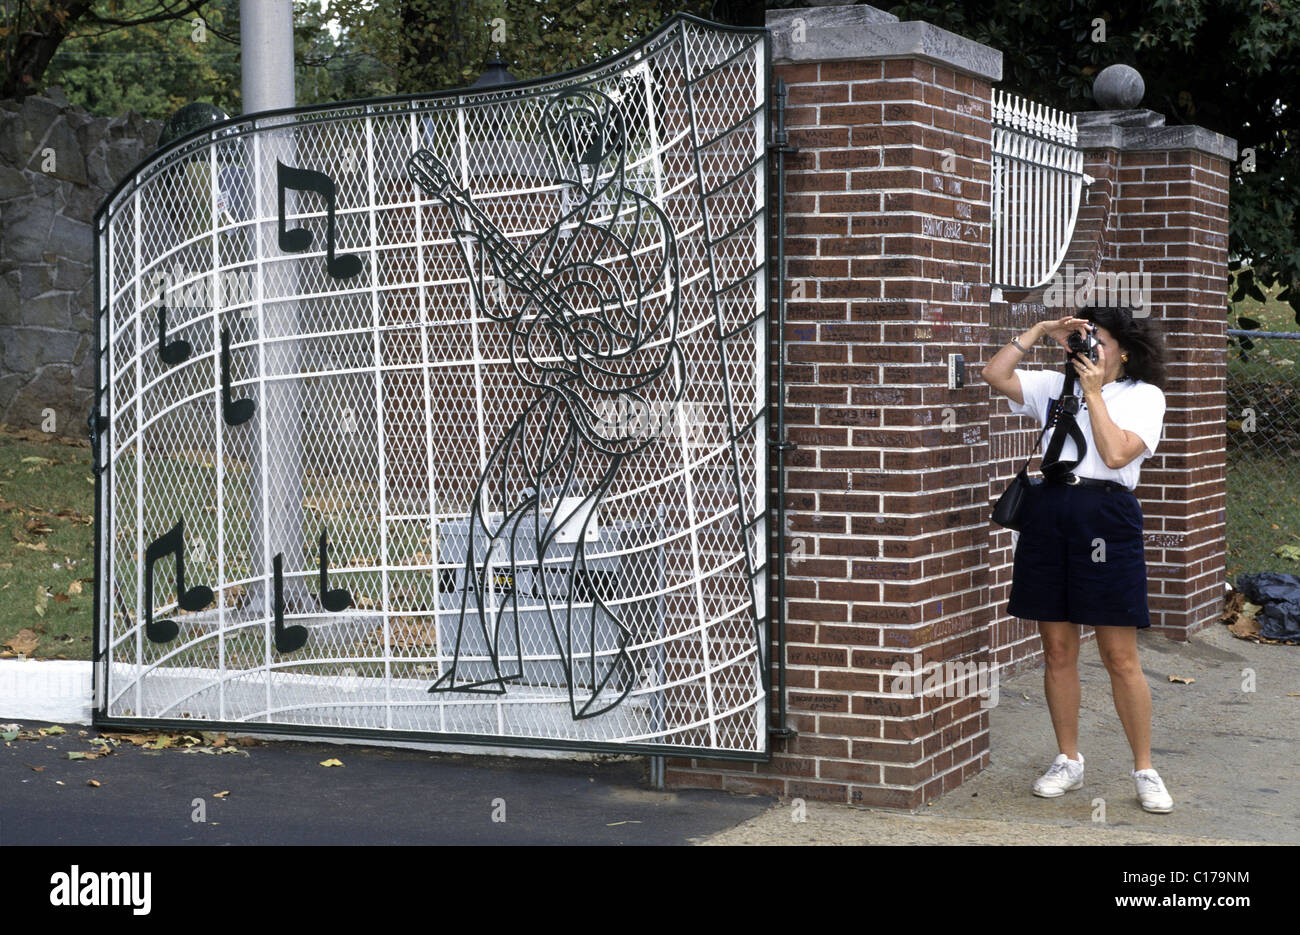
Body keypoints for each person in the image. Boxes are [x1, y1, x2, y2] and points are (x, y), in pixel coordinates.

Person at [982, 305, 1174, 813]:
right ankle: (1069, 759)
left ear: (1126, 351)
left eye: (1100, 342)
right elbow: (994, 374)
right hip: (1050, 512)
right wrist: (1042, 331)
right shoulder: (1052, 384)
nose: (1087, 351)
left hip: (1105, 517)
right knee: (1058, 651)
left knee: (1118, 656)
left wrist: (1092, 393)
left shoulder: (1143, 396)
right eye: (1082, 341)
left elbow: (1115, 455)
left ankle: (1145, 768)